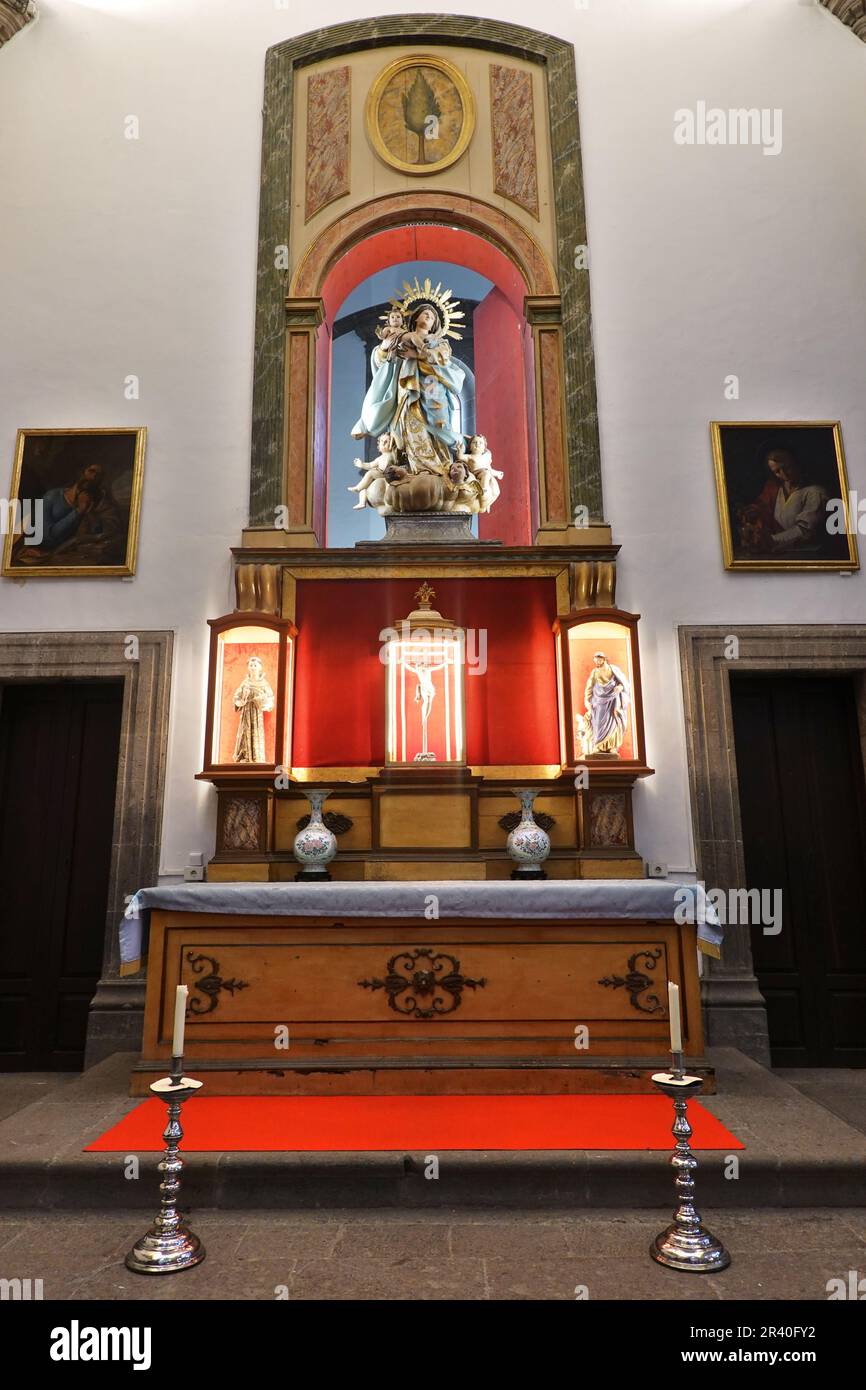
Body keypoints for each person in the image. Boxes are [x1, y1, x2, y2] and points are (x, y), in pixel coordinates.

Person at [351, 301, 465, 478]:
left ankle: (439, 470)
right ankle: (412, 469)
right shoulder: (402, 338)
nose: (429, 317)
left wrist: (417, 355)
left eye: (433, 316)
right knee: (407, 426)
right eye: (425, 313)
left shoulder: (439, 342)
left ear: (435, 324)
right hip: (406, 392)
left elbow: (442, 359)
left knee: (436, 428)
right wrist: (384, 348)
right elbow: (382, 362)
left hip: (432, 391)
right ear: (415, 317)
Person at [584, 652, 631, 756]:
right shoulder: (594, 672)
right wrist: (587, 700)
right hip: (598, 703)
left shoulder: (614, 669)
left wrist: (621, 687)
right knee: (598, 723)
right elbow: (589, 686)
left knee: (613, 722)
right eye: (595, 660)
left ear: (603, 659)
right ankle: (598, 746)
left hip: (613, 701)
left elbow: (625, 683)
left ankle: (612, 747)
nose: (596, 662)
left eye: (598, 660)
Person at [232, 656, 275, 763]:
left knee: (256, 732)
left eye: (255, 665)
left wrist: (263, 702)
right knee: (245, 731)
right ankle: (244, 756)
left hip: (256, 713)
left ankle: (257, 757)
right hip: (246, 712)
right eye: (251, 665)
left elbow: (270, 698)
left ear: (260, 667)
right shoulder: (245, 683)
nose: (253, 667)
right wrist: (241, 701)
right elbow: (236, 697)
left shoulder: (264, 683)